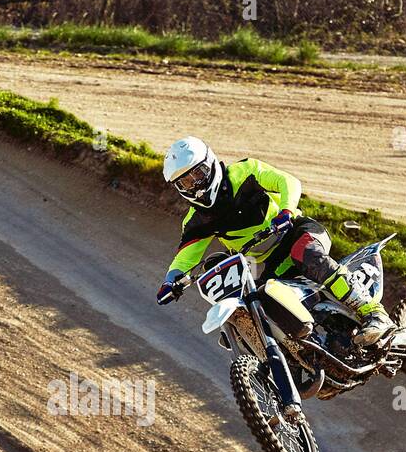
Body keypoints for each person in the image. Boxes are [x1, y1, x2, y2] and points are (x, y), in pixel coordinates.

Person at [156, 136, 392, 346]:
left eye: (198, 173)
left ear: (211, 162)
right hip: (270, 263)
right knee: (260, 305)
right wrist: (170, 281)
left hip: (296, 232)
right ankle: (309, 353)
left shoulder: (245, 171)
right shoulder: (196, 220)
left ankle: (373, 312)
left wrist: (286, 212)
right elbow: (187, 255)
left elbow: (288, 182)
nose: (195, 184)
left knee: (307, 254)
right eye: (185, 182)